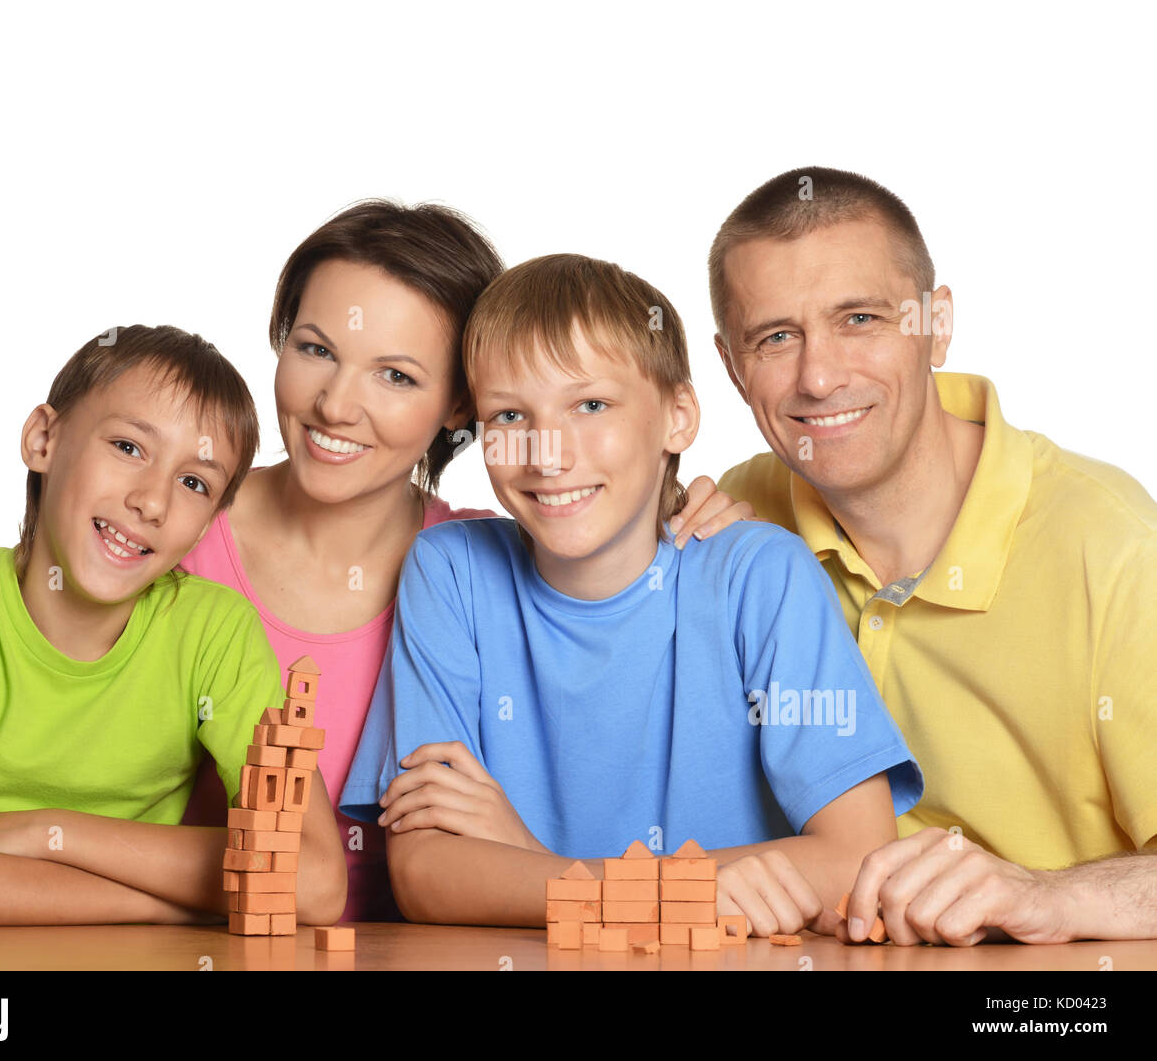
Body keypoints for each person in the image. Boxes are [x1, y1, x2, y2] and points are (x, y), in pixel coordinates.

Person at [176, 202, 745, 921]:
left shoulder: (485, 569)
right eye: (316, 349)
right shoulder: (171, 535)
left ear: (459, 405)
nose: (336, 405)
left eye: (397, 376)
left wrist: (713, 520)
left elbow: (622, 529)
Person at [339, 253, 923, 934]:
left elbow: (858, 860)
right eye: (509, 416)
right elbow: (426, 877)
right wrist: (679, 891)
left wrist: (531, 861)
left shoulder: (761, 576)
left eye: (590, 404)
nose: (548, 454)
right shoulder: (451, 573)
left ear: (678, 417)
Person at [707, 166, 1157, 945]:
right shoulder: (740, 521)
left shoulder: (1111, 546)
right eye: (776, 337)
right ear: (731, 366)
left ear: (936, 323)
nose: (818, 376)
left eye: (860, 319)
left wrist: (1047, 897)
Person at [0, 325, 346, 926]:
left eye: (194, 482)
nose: (152, 501)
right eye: (128, 447)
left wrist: (49, 833)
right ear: (44, 439)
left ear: (207, 523)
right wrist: (158, 903)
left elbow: (316, 883)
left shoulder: (215, 632)